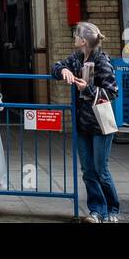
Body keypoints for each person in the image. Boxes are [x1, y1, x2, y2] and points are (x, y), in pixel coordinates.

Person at [53, 21, 121, 223]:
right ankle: (96, 210)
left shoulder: (102, 61)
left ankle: (112, 209)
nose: (73, 38)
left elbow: (112, 92)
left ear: (83, 41)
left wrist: (87, 90)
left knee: (101, 170)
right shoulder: (77, 58)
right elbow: (56, 66)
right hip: (83, 124)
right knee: (88, 170)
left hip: (100, 124)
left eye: (76, 35)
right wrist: (62, 71)